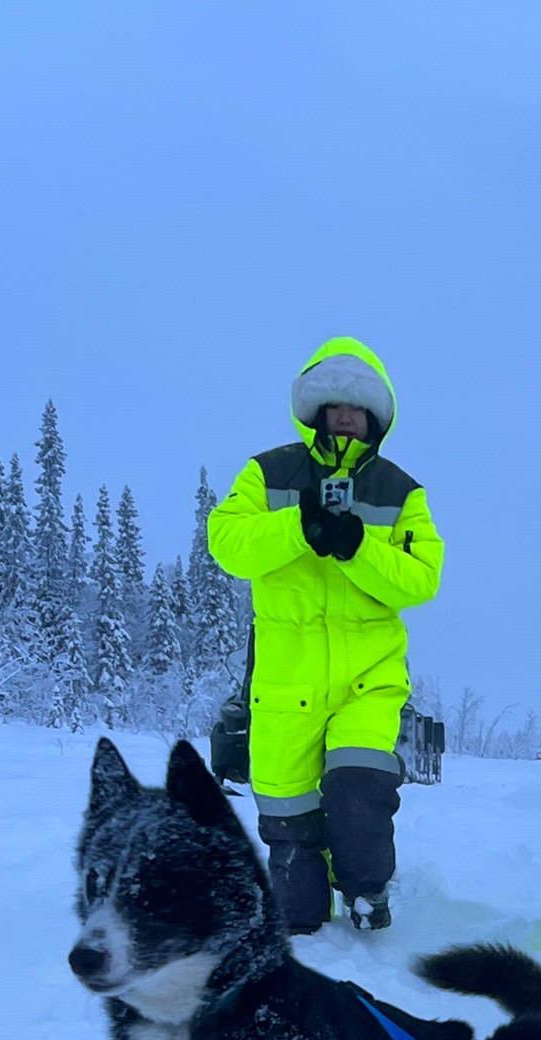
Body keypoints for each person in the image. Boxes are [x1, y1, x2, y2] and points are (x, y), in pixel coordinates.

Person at [208, 337, 443, 934]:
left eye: (358, 406)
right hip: (285, 688)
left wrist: (357, 546)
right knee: (292, 862)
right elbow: (227, 543)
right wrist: (298, 527)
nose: (346, 415)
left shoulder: (401, 490)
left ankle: (367, 895)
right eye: (336, 403)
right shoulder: (268, 472)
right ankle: (309, 906)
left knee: (358, 795)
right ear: (315, 409)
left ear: (375, 418)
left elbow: (422, 579)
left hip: (369, 680)